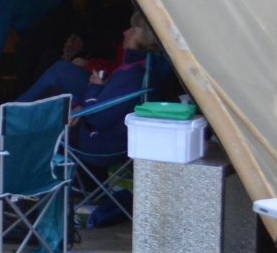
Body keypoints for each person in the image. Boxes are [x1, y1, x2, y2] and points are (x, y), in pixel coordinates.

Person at [16, 11, 173, 156]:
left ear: (145, 39)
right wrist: (82, 103)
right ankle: (14, 117)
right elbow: (111, 103)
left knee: (48, 110)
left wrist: (94, 88)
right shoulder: (149, 66)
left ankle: (11, 122)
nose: (126, 32)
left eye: (133, 30)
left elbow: (97, 119)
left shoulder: (132, 73)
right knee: (59, 82)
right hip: (112, 134)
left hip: (98, 142)